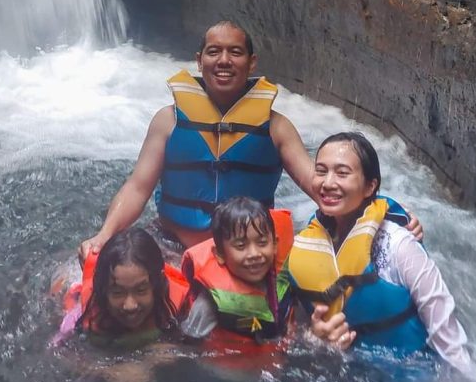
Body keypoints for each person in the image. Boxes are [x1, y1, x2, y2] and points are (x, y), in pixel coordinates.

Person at [78, 20, 423, 261]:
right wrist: (104, 235)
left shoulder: (276, 127)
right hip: (172, 246)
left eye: (235, 52)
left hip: (249, 254)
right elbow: (137, 187)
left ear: (251, 62)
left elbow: (320, 185)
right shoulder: (167, 121)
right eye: (214, 52)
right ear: (199, 60)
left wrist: (384, 211)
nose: (223, 61)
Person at [288, 132, 471, 372]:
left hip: (411, 378)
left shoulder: (399, 245)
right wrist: (315, 340)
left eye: (342, 173)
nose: (328, 182)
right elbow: (295, 329)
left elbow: (449, 340)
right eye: (321, 171)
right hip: (344, 375)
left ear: (370, 186)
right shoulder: (308, 243)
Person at [180, 197, 294, 348]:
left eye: (262, 243)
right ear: (220, 254)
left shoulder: (289, 279)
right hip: (230, 361)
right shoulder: (209, 303)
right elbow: (189, 348)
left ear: (274, 245)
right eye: (241, 246)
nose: (254, 254)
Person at [57, 228, 187, 348]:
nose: (130, 306)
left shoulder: (183, 304)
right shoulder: (79, 318)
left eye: (141, 291)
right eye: (118, 293)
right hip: (74, 278)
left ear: (157, 285)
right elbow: (64, 355)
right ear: (104, 291)